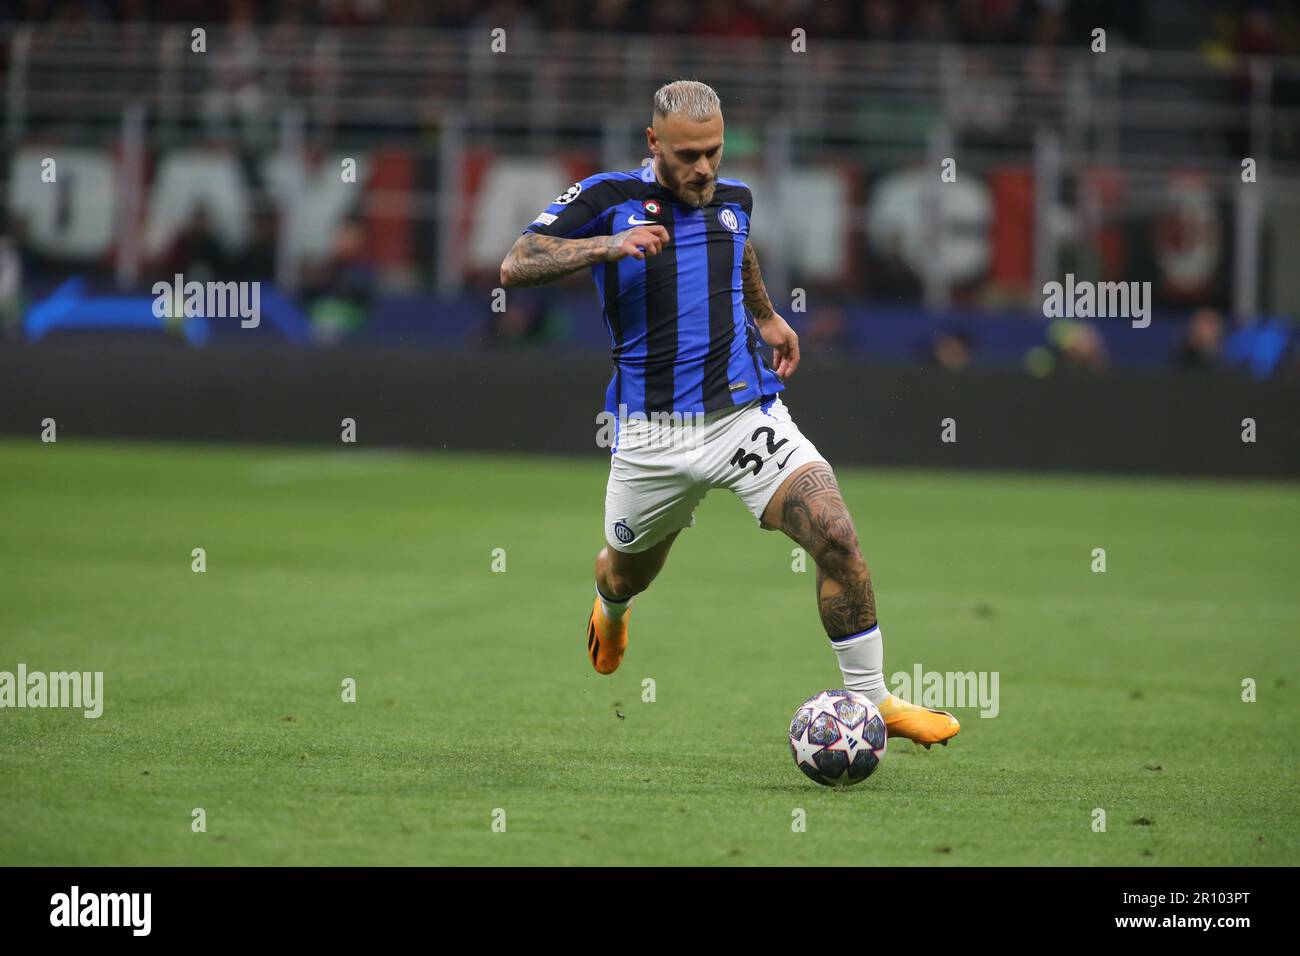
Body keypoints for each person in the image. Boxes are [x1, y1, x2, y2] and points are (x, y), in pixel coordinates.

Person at [499, 80, 959, 748]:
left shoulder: (732, 199)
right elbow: (516, 264)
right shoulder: (606, 199)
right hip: (651, 434)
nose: (704, 169)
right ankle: (612, 608)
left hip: (742, 417)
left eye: (713, 151)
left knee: (836, 536)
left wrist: (768, 317)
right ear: (654, 142)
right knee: (626, 569)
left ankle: (873, 698)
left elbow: (735, 247)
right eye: (688, 155)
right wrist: (606, 248)